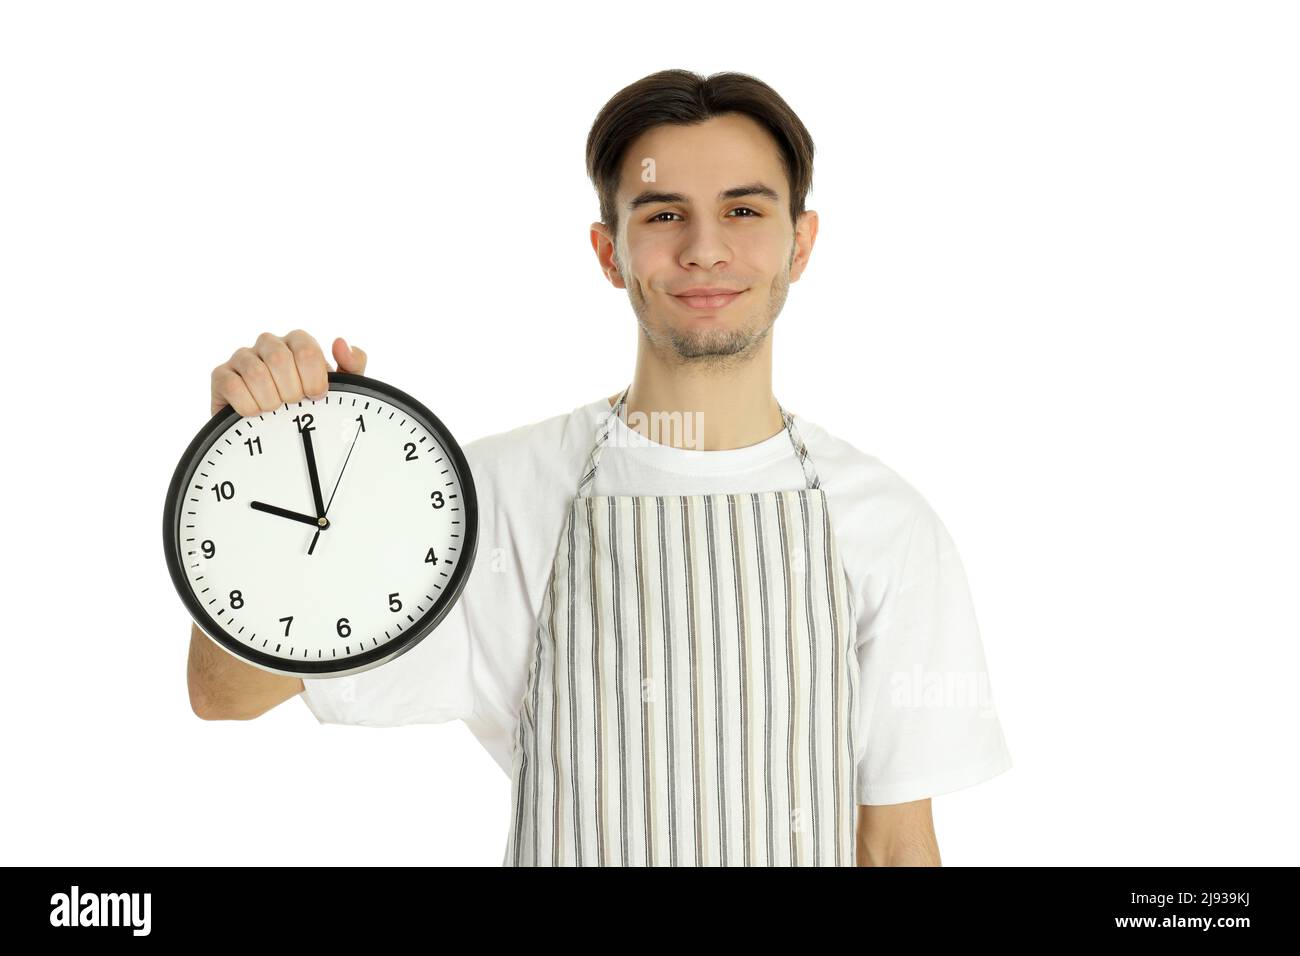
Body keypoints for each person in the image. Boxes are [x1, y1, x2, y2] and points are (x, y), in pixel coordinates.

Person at [188, 68, 1012, 867]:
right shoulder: (491, 498)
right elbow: (227, 694)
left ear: (801, 243)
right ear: (609, 252)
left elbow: (897, 848)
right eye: (661, 214)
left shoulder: (888, 524)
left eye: (743, 209)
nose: (704, 249)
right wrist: (255, 464)